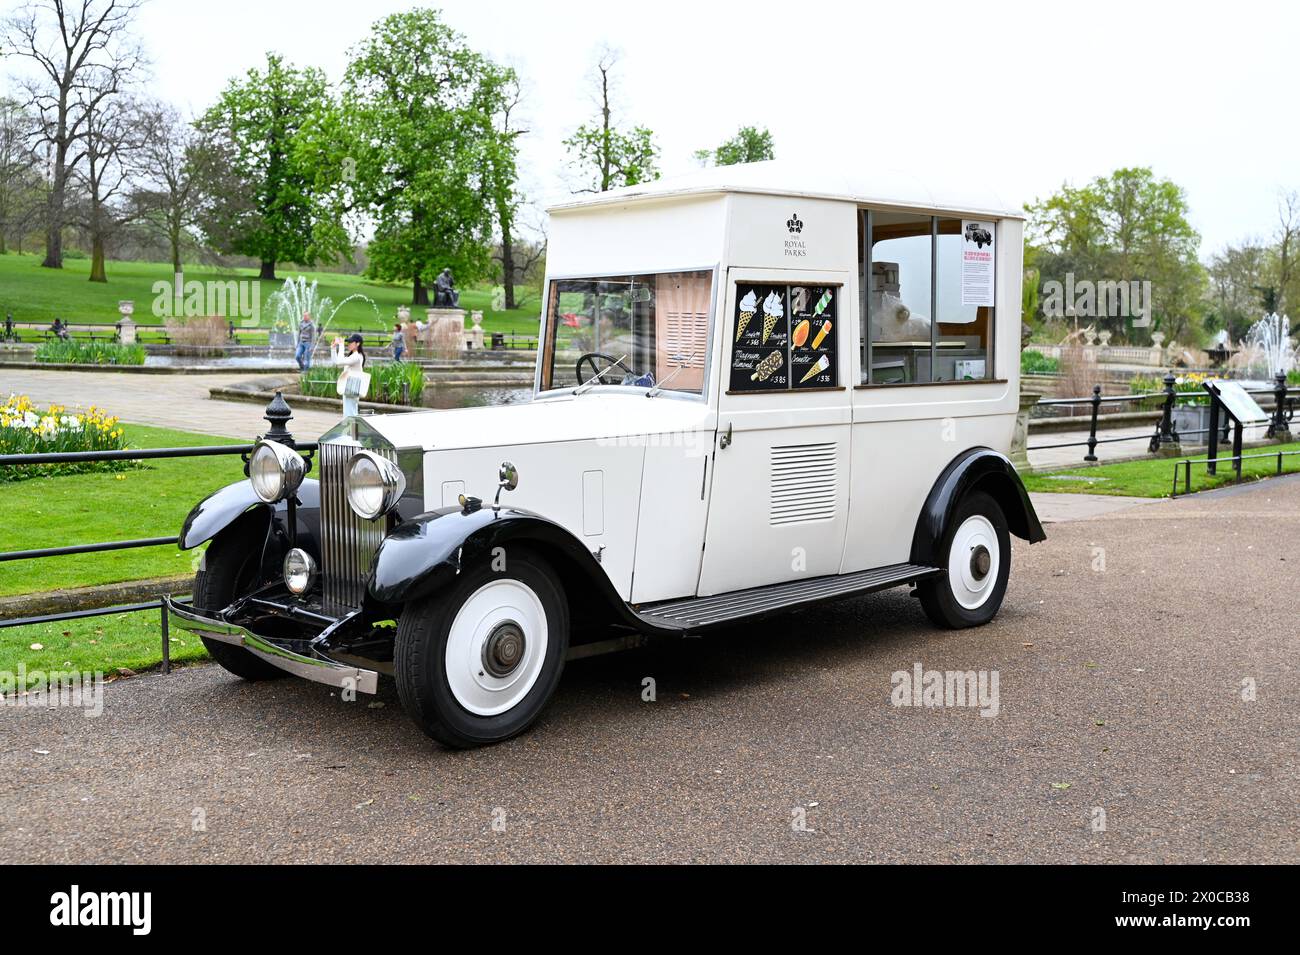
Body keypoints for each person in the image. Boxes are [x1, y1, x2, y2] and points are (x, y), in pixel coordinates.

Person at [331, 333, 367, 417]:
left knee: (350, 413)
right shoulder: (353, 356)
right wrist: (333, 348)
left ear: (358, 343)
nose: (349, 344)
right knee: (348, 412)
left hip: (352, 387)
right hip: (349, 386)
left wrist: (341, 345)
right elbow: (337, 362)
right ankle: (351, 429)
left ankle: (352, 429)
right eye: (348, 342)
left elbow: (339, 361)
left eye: (351, 342)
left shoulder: (357, 356)